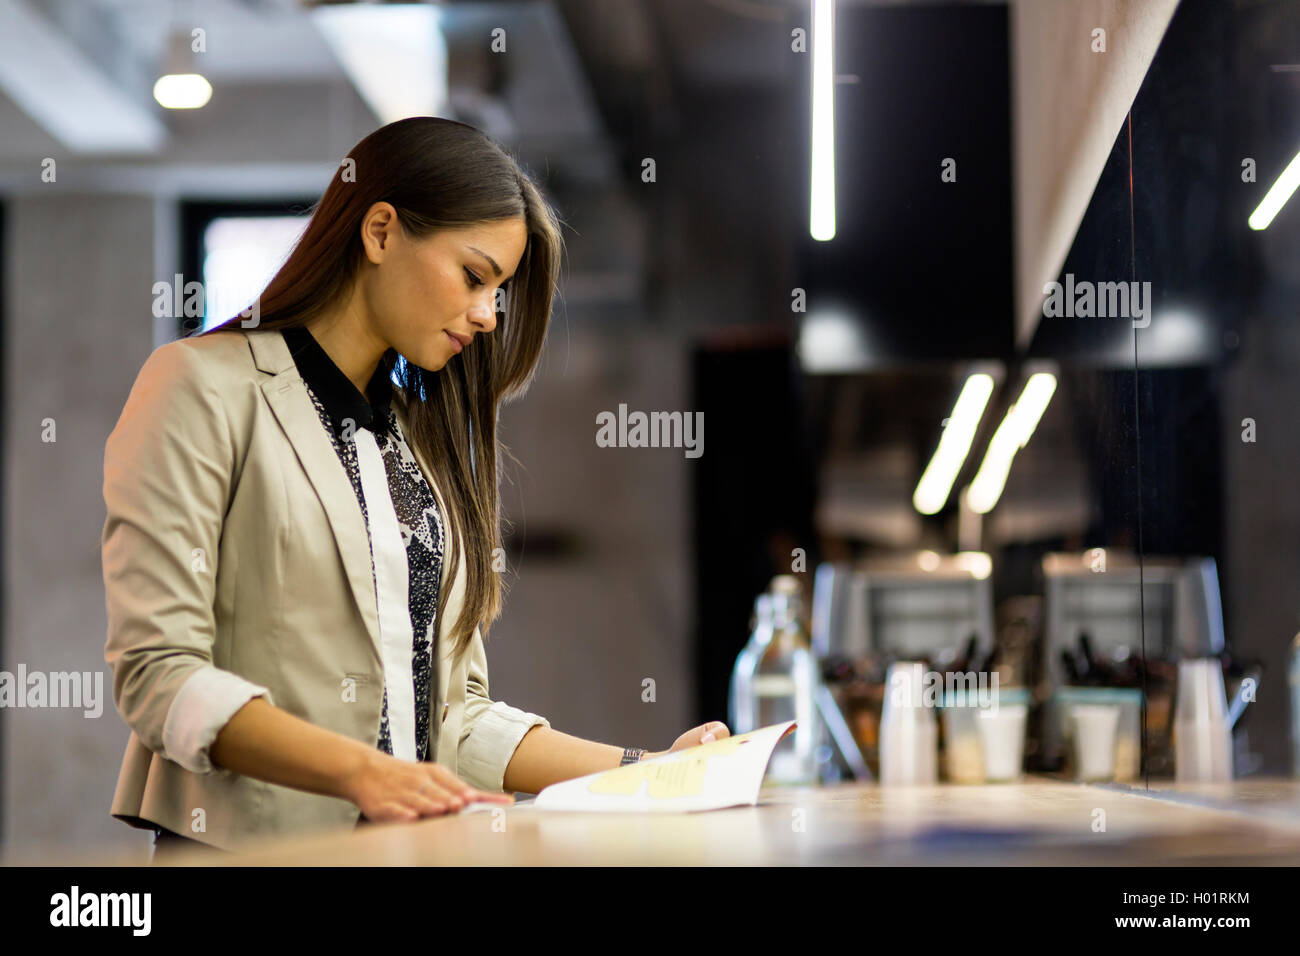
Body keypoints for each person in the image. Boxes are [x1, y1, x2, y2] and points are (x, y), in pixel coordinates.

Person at [102, 117, 729, 857]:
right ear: (379, 232)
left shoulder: (415, 441)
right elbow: (158, 675)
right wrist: (363, 771)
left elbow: (454, 718)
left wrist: (644, 773)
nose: (488, 315)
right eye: (474, 275)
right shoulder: (199, 386)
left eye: (498, 290)